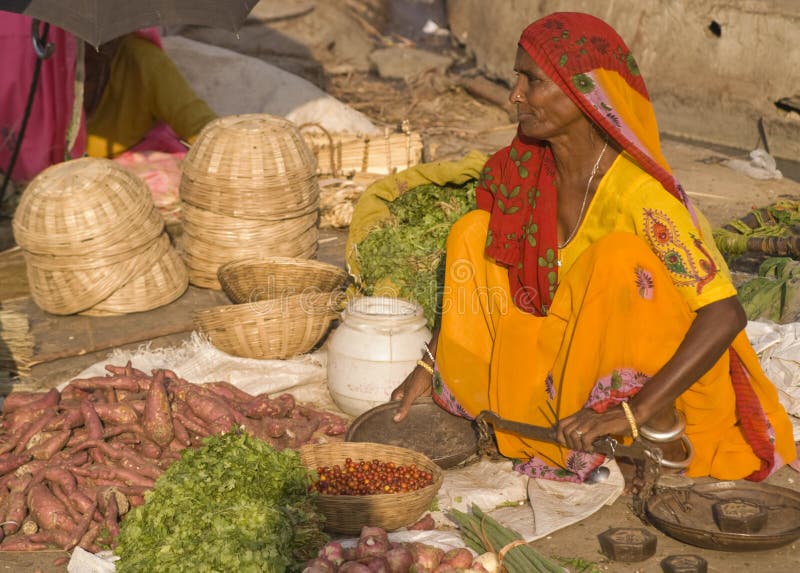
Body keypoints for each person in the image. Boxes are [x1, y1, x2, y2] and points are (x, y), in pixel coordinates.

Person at [391, 12, 796, 484]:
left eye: (533, 81)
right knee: (472, 231)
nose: (514, 95)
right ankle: (527, 410)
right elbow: (493, 273)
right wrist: (432, 361)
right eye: (516, 79)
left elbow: (725, 314)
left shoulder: (641, 197)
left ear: (585, 93)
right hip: (565, 355)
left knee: (617, 258)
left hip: (654, 386)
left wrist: (630, 413)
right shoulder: (523, 169)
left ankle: (649, 430)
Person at [0, 13, 216, 185]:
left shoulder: (141, 60)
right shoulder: (41, 70)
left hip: (126, 168)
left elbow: (200, 125)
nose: (98, 46)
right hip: (51, 181)